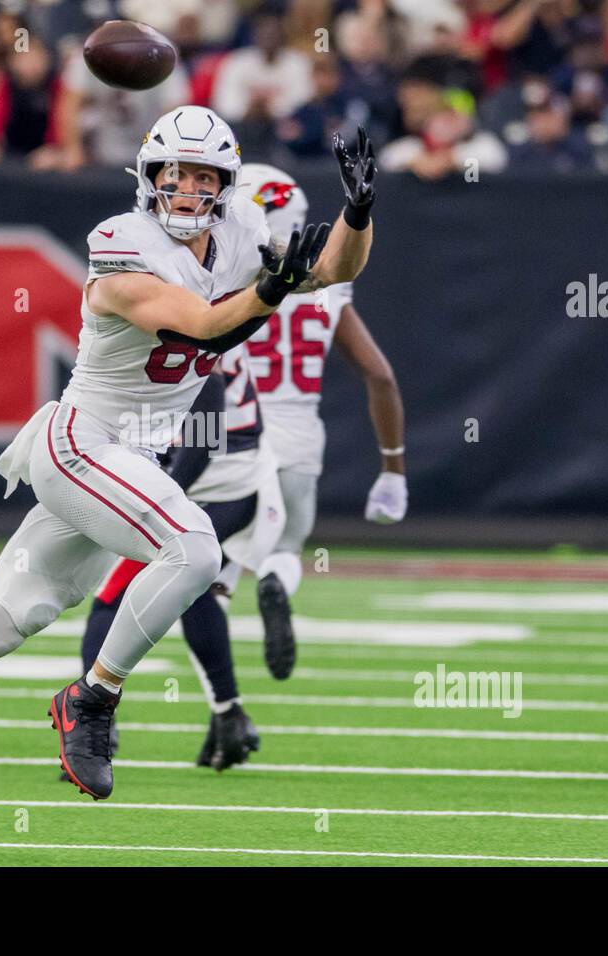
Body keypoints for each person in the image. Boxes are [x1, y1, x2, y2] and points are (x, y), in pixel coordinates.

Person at [0, 107, 378, 852]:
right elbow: (202, 325)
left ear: (225, 186)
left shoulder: (238, 234)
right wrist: (273, 288)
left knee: (2, 622)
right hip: (82, 443)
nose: (188, 190)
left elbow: (335, 267)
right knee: (196, 550)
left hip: (128, 463)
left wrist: (359, 212)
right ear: (150, 177)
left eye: (205, 177)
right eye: (175, 174)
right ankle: (93, 698)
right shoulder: (120, 243)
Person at [231, 162, 408, 679]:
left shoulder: (221, 272)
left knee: (209, 562)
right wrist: (393, 468)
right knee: (286, 548)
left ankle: (222, 697)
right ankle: (276, 583)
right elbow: (379, 376)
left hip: (232, 432)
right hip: (298, 435)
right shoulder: (329, 285)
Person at [74, 341, 282, 773]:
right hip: (243, 478)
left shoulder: (182, 307)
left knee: (113, 596)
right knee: (194, 590)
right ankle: (228, 716)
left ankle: (93, 726)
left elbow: (208, 415)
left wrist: (165, 495)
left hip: (209, 477)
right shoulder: (211, 301)